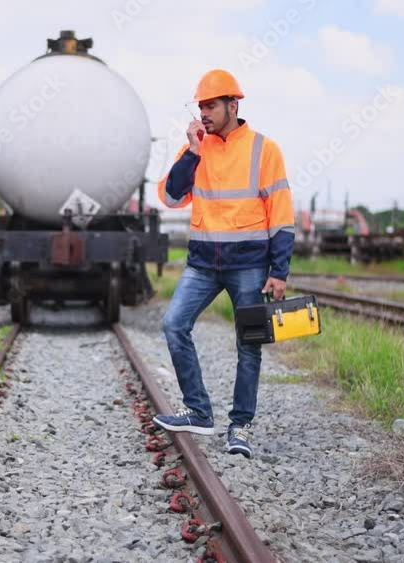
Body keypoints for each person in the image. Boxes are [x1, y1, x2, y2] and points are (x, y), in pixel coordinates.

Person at [152, 69, 295, 459]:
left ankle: (241, 426)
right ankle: (198, 411)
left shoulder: (264, 149)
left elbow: (281, 213)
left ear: (233, 105)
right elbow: (171, 195)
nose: (205, 113)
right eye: (201, 106)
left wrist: (279, 271)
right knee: (173, 325)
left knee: (249, 346)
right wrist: (194, 153)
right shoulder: (197, 149)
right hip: (202, 263)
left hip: (249, 265)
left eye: (211, 105)